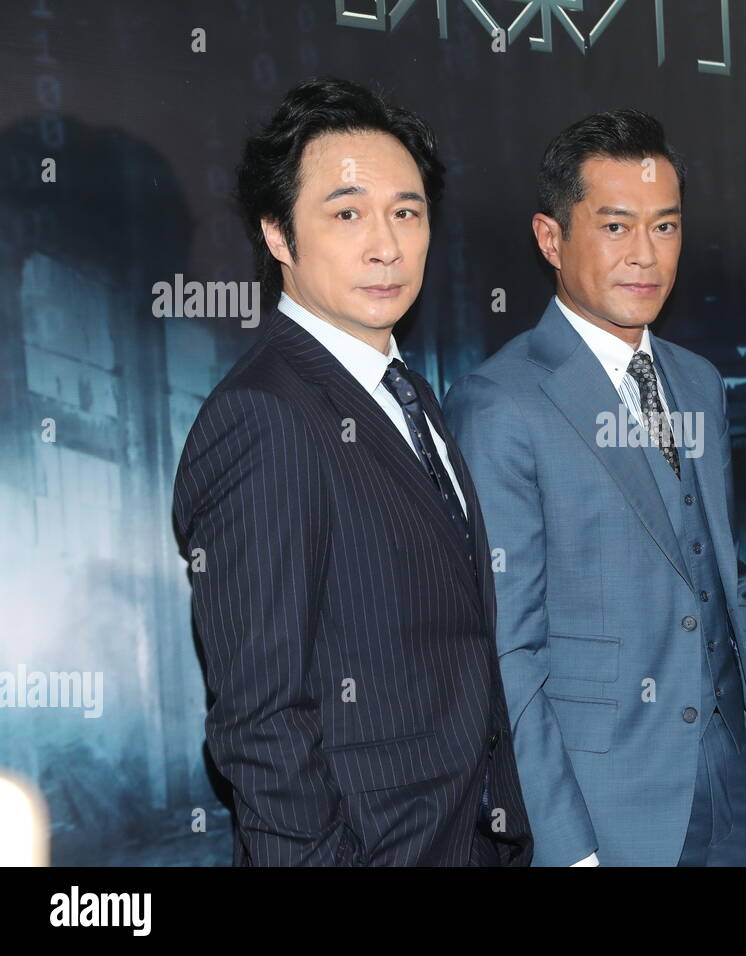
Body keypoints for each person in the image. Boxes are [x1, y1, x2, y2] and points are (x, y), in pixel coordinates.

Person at [443, 108, 746, 866]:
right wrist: (564, 846)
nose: (646, 255)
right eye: (616, 227)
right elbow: (507, 652)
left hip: (743, 786)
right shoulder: (502, 402)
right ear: (552, 239)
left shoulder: (700, 382)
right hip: (607, 811)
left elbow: (725, 573)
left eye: (666, 227)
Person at [172, 77, 531, 866]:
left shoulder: (410, 395)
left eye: (407, 212)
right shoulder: (264, 415)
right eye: (345, 214)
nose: (386, 245)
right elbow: (261, 721)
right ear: (275, 233)